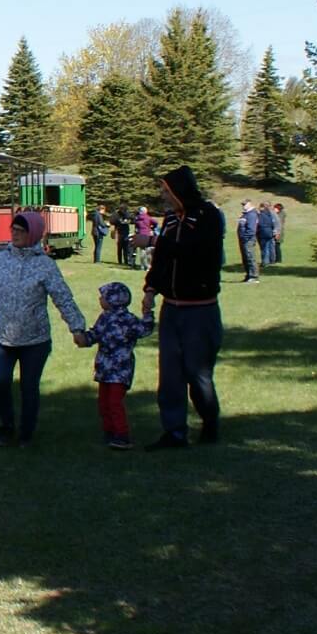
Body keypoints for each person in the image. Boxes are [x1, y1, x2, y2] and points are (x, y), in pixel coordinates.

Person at [0, 211, 90, 447]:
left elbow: (63, 298)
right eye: (13, 229)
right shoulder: (0, 261)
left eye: (20, 231)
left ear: (33, 233)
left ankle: (26, 433)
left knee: (28, 387)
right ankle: (6, 427)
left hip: (35, 341)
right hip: (2, 339)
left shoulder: (45, 265)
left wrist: (77, 327)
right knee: (1, 383)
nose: (15, 234)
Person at [141, 166, 225, 450]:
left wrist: (154, 241)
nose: (163, 196)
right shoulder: (170, 221)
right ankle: (174, 431)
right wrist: (151, 288)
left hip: (199, 311)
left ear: (180, 190)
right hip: (172, 309)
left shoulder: (208, 217)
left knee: (197, 373)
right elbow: (163, 260)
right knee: (170, 375)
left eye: (166, 190)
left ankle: (209, 420)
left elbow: (194, 253)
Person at [80, 280, 157, 450]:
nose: (100, 300)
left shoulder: (128, 319)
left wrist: (147, 313)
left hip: (120, 369)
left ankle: (122, 435)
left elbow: (144, 329)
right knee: (103, 402)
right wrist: (84, 339)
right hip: (104, 368)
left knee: (114, 402)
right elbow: (95, 334)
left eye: (103, 297)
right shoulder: (104, 317)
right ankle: (109, 432)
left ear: (113, 299)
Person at [236, 201, 260, 283]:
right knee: (245, 258)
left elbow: (251, 229)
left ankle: (254, 276)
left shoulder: (252, 214)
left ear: (250, 204)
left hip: (248, 240)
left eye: (245, 204)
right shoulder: (245, 214)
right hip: (243, 239)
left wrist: (245, 237)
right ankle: (248, 275)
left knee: (250, 257)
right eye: (242, 204)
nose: (243, 206)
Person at [255, 202, 277, 269]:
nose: (259, 208)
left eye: (260, 207)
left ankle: (265, 262)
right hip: (270, 232)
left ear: (263, 207)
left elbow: (259, 224)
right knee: (271, 247)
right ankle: (272, 260)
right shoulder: (269, 214)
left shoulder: (260, 215)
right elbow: (272, 223)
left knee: (264, 248)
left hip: (263, 233)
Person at [134, 205, 155, 270]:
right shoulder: (148, 218)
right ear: (146, 211)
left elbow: (136, 226)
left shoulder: (137, 218)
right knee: (148, 252)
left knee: (142, 251)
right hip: (147, 235)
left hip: (140, 235)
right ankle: (148, 266)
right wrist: (152, 227)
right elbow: (156, 223)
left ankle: (142, 266)